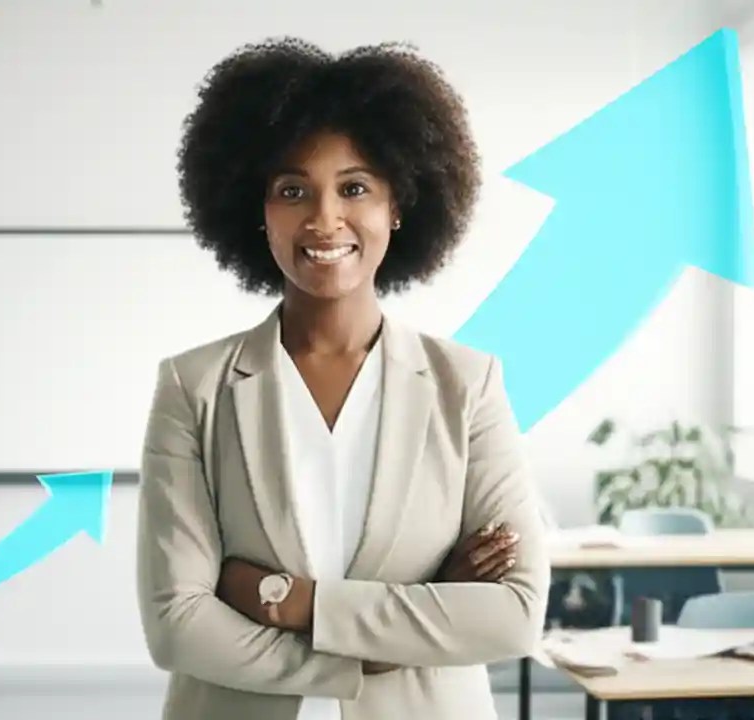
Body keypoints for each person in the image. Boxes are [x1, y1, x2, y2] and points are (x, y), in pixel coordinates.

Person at [135, 37, 551, 720]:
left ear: (398, 205)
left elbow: (513, 615)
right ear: (258, 212)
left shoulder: (467, 386)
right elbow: (177, 626)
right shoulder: (193, 387)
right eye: (292, 190)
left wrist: (296, 602)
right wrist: (396, 637)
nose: (324, 218)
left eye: (354, 187)